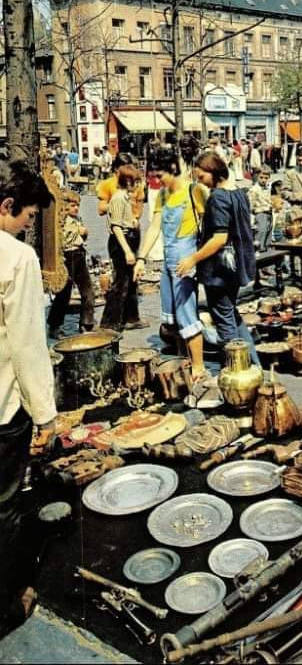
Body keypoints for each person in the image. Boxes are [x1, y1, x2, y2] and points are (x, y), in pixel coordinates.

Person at [0, 161, 57, 636]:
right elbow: (26, 343)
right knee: (4, 507)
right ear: (7, 207)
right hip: (2, 410)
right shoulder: (17, 258)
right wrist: (46, 414)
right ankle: (5, 605)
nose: (28, 227)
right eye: (27, 217)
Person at [176, 151, 259, 366]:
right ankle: (254, 366)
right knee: (231, 313)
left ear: (214, 172)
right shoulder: (239, 193)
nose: (201, 183)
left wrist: (192, 259)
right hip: (236, 267)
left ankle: (238, 371)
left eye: (202, 177)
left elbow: (220, 238)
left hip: (220, 271)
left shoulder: (218, 198)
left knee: (225, 322)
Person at [134, 148, 208, 381]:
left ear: (173, 170)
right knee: (173, 317)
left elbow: (211, 226)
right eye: (154, 177)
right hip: (169, 261)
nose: (156, 181)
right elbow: (155, 227)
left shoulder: (194, 191)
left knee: (187, 314)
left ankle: (199, 366)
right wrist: (141, 258)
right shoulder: (163, 195)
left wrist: (197, 259)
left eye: (160, 175)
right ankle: (181, 357)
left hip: (186, 260)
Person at [96, 153, 147, 328]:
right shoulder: (117, 198)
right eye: (135, 182)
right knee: (120, 283)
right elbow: (116, 226)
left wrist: (133, 220)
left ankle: (131, 317)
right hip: (121, 241)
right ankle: (109, 323)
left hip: (130, 235)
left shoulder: (125, 197)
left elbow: (134, 211)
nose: (138, 186)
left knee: (131, 280)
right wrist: (127, 251)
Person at [47, 190, 95, 338]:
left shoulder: (78, 219)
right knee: (64, 293)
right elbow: (63, 239)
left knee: (88, 290)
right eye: (73, 205)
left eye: (78, 205)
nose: (76, 208)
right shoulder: (62, 221)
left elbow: (82, 236)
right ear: (65, 206)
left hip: (79, 254)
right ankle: (55, 326)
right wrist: (78, 231)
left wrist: (84, 233)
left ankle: (86, 323)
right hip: (68, 257)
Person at [248, 165, 273, 253]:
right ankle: (259, 253)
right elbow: (250, 206)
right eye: (261, 177)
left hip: (269, 214)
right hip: (260, 215)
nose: (263, 180)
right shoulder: (254, 190)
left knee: (268, 235)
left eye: (266, 178)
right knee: (260, 235)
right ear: (256, 176)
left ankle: (267, 252)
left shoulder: (268, 188)